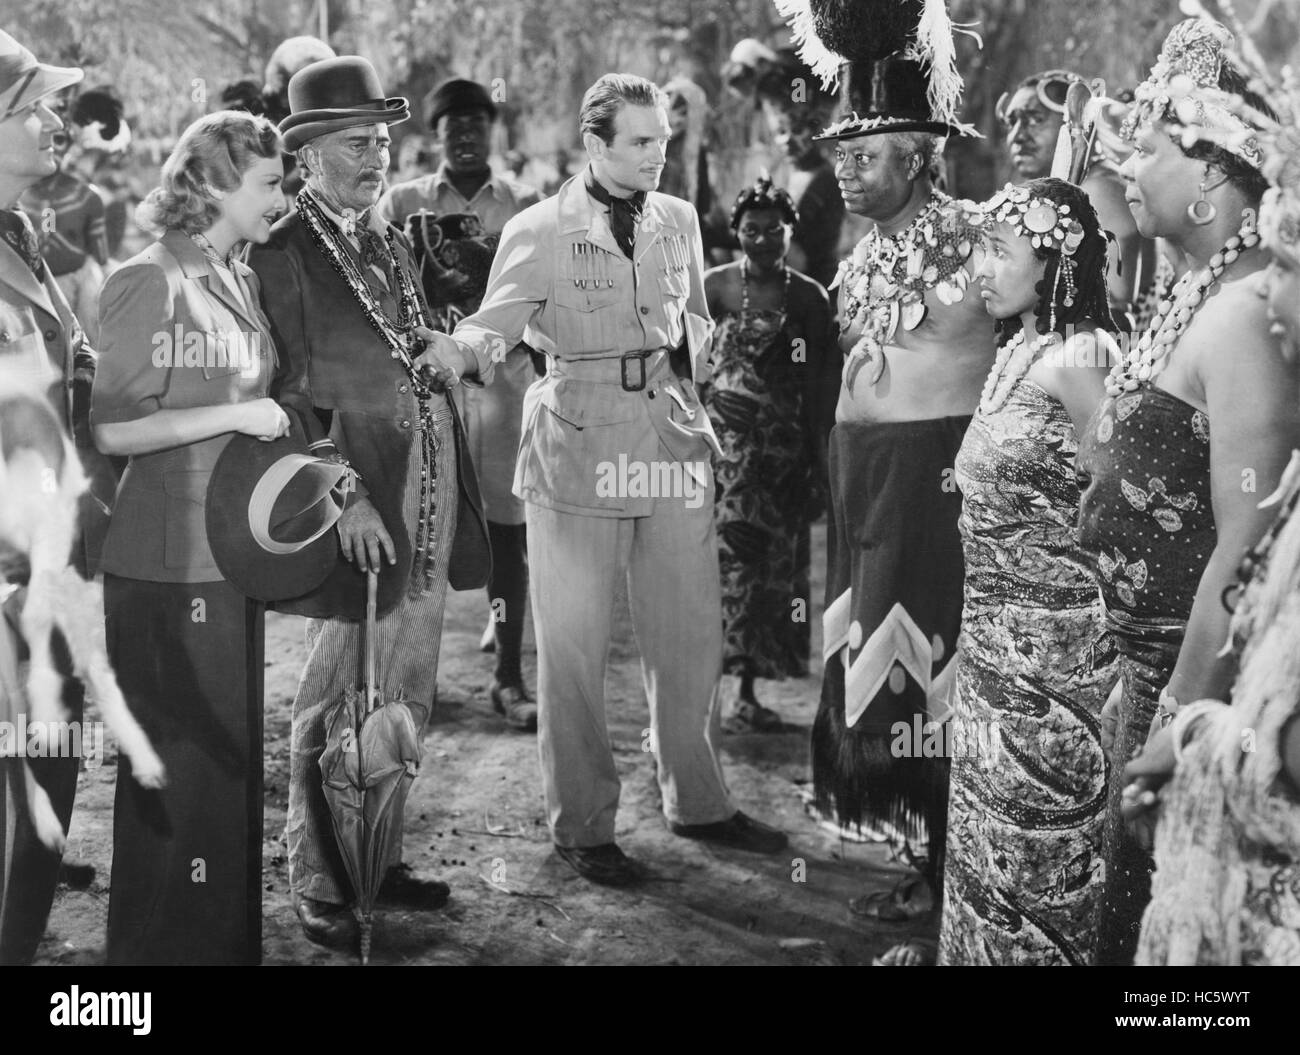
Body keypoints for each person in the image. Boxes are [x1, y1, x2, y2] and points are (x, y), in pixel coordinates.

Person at [439, 73, 788, 887]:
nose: (658, 155)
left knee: (690, 631)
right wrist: (455, 352)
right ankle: (584, 822)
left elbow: (694, 319)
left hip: (668, 434)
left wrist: (696, 396)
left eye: (663, 139)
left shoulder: (678, 218)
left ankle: (697, 800)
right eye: (640, 142)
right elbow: (491, 330)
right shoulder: (537, 229)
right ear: (595, 144)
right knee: (573, 645)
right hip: (577, 436)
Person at [247, 56, 492, 948]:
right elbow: (282, 387)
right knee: (337, 681)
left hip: (423, 474)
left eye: (384, 140)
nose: (377, 155)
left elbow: (388, 343)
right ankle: (319, 874)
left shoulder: (380, 236)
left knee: (406, 682)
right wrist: (338, 489)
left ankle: (372, 853)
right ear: (307, 154)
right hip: (355, 495)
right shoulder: (282, 248)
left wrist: (432, 339)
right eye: (358, 143)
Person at [1075, 16, 1300, 965]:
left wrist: (1175, 727)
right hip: (1143, 679)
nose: (1130, 165)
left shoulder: (1251, 312)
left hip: (1191, 699)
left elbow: (1242, 554)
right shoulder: (1194, 289)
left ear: (1213, 174)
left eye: (1153, 146)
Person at [785, 2, 994, 966]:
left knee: (934, 665)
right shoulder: (856, 249)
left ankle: (958, 869)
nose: (846, 170)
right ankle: (922, 848)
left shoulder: (987, 243)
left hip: (934, 489)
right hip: (863, 488)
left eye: (866, 156)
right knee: (878, 665)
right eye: (841, 155)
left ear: (920, 156)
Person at [90, 109, 291, 964]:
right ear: (212, 185)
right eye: (270, 182)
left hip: (229, 557)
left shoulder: (232, 273)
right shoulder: (150, 279)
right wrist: (238, 411)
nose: (284, 195)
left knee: (227, 778)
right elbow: (113, 429)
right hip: (166, 568)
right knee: (178, 785)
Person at [938, 178, 1120, 965]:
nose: (980, 265)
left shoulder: (1082, 357)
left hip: (1059, 677)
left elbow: (1128, 502)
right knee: (986, 863)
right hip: (990, 657)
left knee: (1039, 873)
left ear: (1053, 262)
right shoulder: (1015, 346)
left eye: (999, 249)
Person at [378, 78, 542, 730]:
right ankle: (412, 678)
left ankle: (507, 676)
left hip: (504, 383)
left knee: (506, 531)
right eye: (455, 126)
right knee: (420, 528)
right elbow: (383, 292)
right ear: (437, 135)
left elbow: (535, 300)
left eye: (478, 123)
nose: (468, 134)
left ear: (492, 131)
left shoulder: (524, 204)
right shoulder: (403, 201)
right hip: (427, 386)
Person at [0, 30, 110, 966]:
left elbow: (74, 375)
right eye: (37, 105)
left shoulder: (23, 240)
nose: (58, 123)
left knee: (46, 783)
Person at [701, 176, 834, 733]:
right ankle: (705, 688)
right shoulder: (711, 287)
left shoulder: (807, 296)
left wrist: (821, 464)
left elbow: (822, 383)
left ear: (789, 232)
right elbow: (690, 365)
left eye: (772, 230)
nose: (761, 240)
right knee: (717, 567)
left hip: (781, 459)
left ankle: (751, 690)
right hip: (720, 456)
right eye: (751, 230)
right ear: (735, 233)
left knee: (769, 572)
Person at [998, 68, 1150, 319]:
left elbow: (1116, 313)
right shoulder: (1073, 189)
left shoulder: (1099, 188)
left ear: (1076, 120)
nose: (1018, 135)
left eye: (1034, 118)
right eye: (1011, 122)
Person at [755, 55, 844, 293]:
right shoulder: (781, 173)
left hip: (815, 289)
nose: (786, 140)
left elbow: (798, 246)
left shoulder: (825, 179)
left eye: (796, 130)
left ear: (814, 131)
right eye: (780, 131)